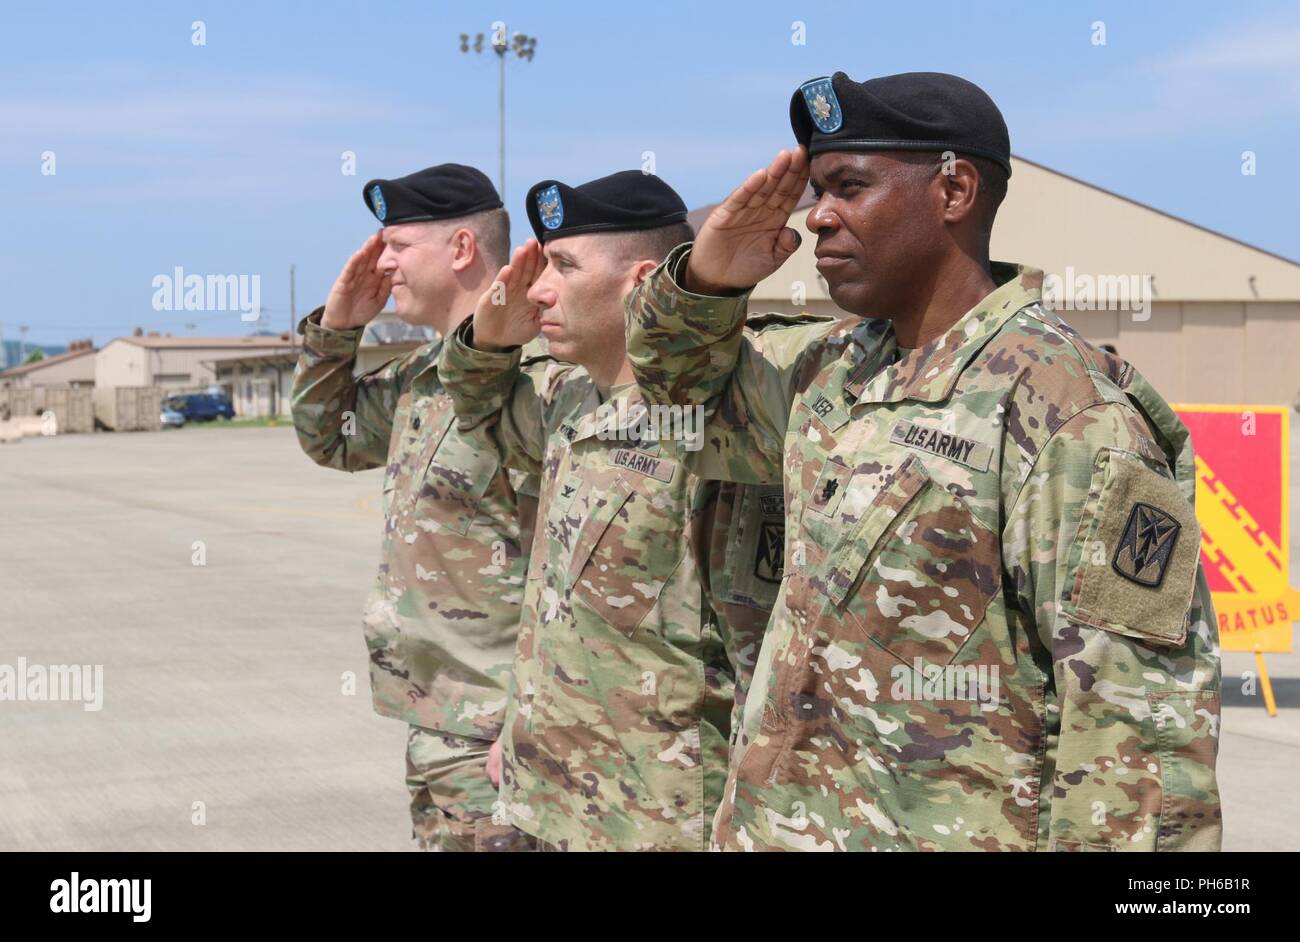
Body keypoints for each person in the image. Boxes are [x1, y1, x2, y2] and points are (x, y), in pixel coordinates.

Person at [625, 72, 1221, 851]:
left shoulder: (1068, 412)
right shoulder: (832, 371)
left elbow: (1140, 723)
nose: (819, 218)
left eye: (849, 187)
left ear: (954, 190)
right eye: (815, 192)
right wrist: (708, 278)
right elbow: (676, 398)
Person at [438, 171, 807, 850]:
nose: (539, 288)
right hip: (555, 791)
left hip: (659, 815)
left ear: (641, 281)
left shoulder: (716, 416)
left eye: (564, 266)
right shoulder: (569, 401)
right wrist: (486, 339)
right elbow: (477, 413)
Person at [291, 163, 539, 851]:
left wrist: (534, 717)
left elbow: (580, 564)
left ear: (461, 249)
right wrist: (339, 327)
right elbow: (328, 437)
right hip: (435, 719)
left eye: (397, 246)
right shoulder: (418, 378)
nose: (383, 263)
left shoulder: (535, 377)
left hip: (498, 728)